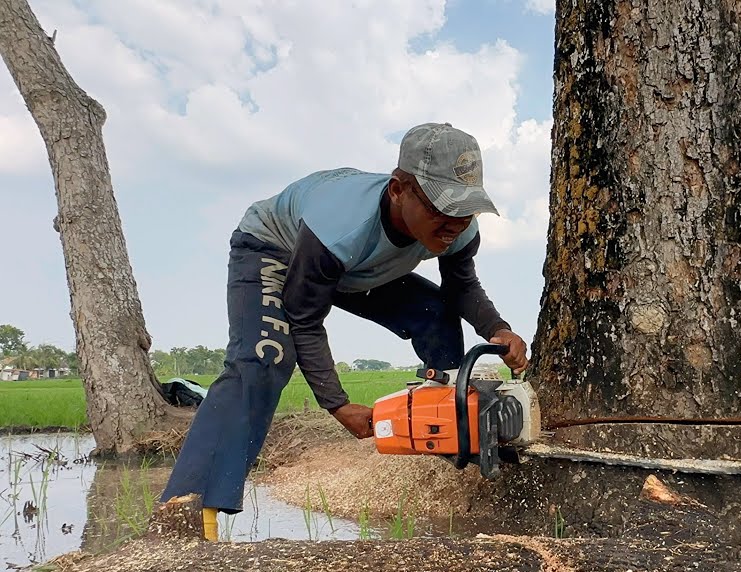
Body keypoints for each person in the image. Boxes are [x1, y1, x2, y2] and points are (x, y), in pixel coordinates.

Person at [159, 122, 528, 541]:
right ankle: (185, 512)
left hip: (353, 267)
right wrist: (337, 404)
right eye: (442, 208)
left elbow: (461, 286)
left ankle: (448, 436)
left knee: (436, 312)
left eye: (466, 210)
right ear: (398, 190)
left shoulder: (459, 229)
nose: (455, 224)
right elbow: (304, 317)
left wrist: (499, 329)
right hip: (277, 249)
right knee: (263, 358)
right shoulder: (340, 225)